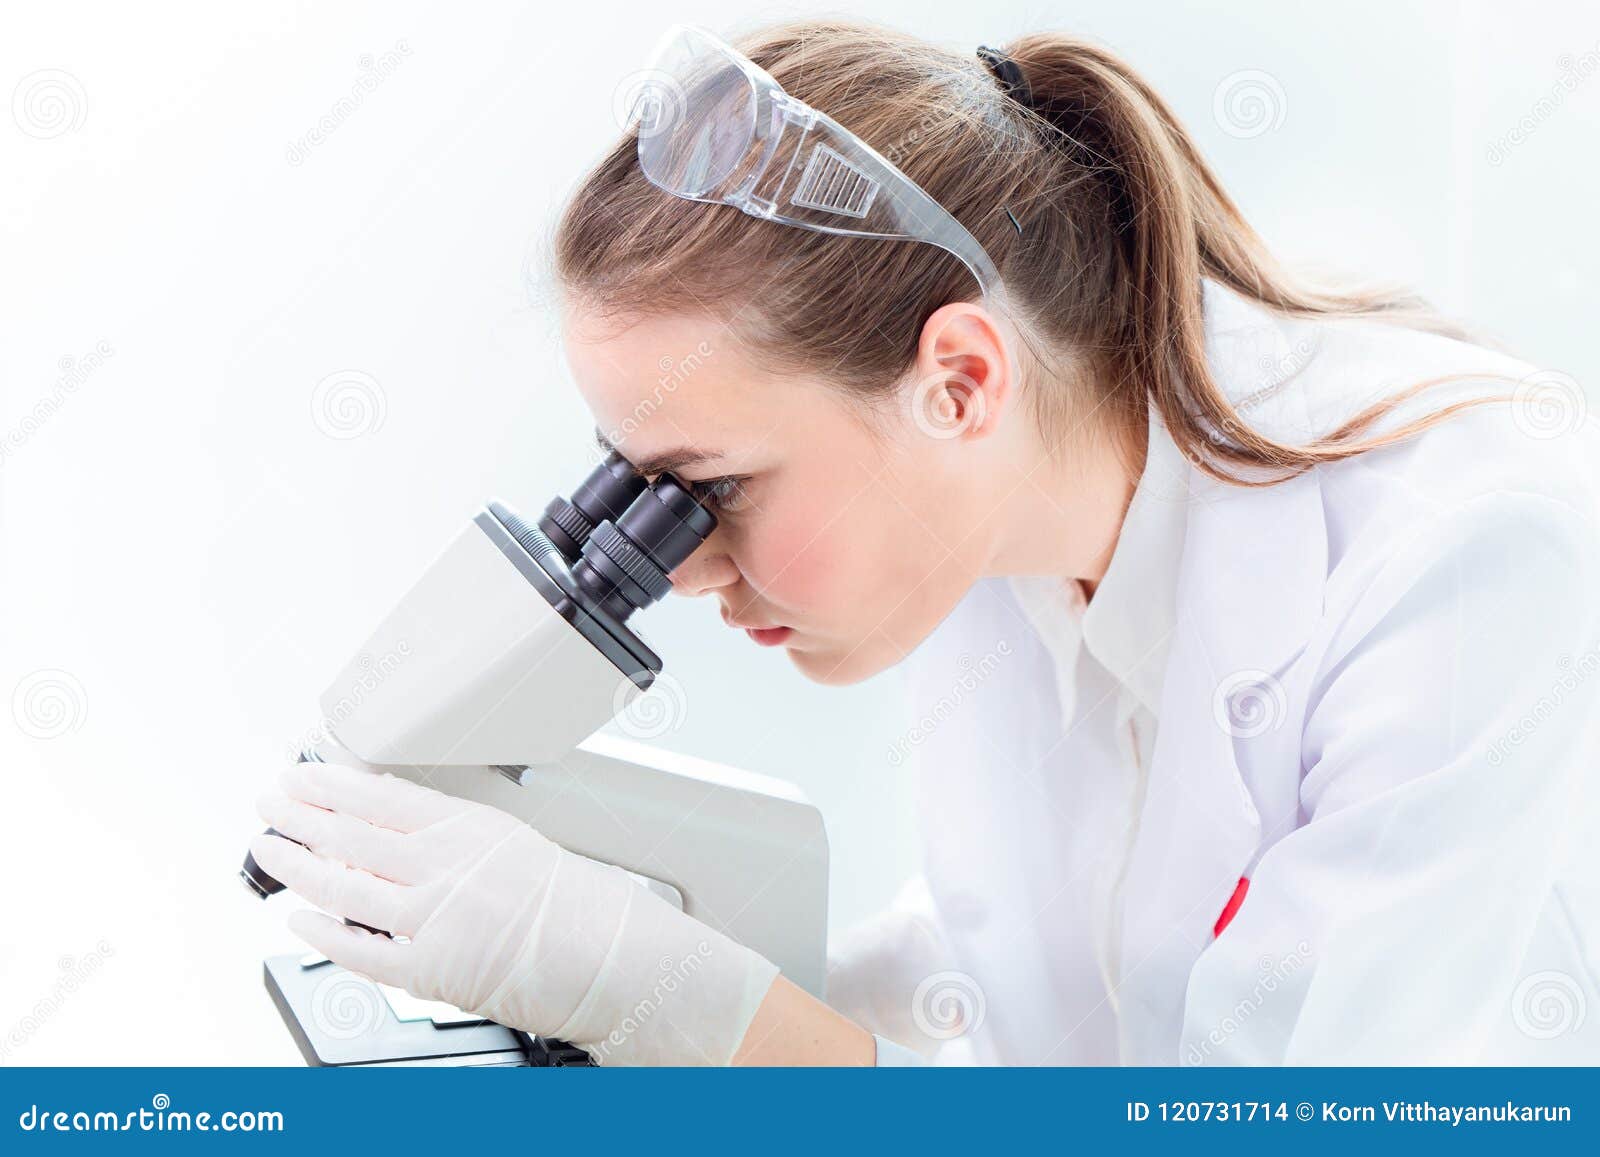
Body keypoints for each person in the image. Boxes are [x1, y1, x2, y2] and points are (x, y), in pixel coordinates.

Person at [252, 19, 1600, 1065]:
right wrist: (622, 979)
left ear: (958, 379)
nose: (684, 566)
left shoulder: (1464, 557)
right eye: (639, 491)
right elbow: (1017, 964)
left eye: (708, 487)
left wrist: (665, 991)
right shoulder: (995, 527)